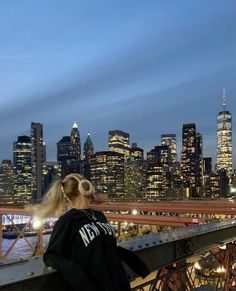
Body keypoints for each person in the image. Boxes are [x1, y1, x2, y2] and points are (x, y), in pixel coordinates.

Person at [34, 173, 149, 291]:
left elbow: (110, 247)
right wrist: (82, 281)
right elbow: (51, 256)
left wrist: (138, 265)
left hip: (119, 285)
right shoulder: (67, 220)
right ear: (84, 186)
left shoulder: (99, 215)